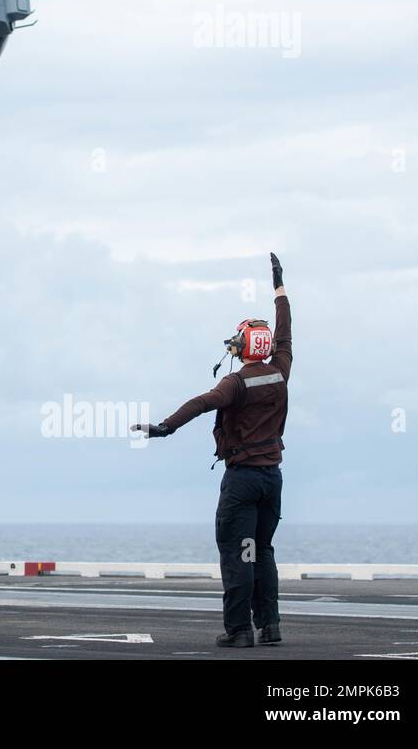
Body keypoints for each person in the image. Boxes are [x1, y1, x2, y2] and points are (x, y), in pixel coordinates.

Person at [133, 252, 291, 649]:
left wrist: (165, 427)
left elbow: (201, 402)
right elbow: (286, 332)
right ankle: (269, 627)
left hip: (242, 481)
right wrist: (279, 287)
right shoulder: (280, 370)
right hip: (272, 478)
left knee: (239, 555)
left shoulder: (236, 384)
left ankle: (238, 630)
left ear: (243, 346)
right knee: (263, 550)